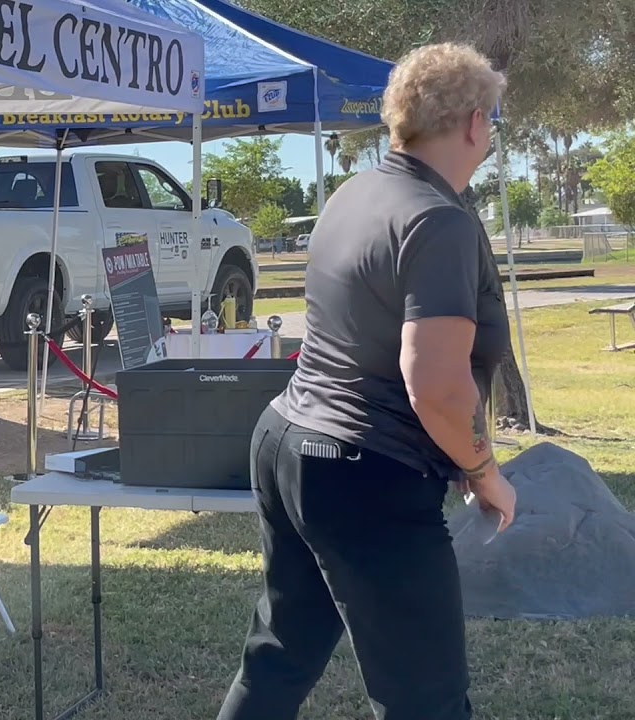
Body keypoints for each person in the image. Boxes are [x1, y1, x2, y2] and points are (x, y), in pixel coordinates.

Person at [216, 43, 517, 720]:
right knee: (428, 703)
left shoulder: (356, 193)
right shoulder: (438, 218)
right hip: (366, 469)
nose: (492, 134)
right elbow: (434, 383)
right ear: (472, 122)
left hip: (293, 444)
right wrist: (483, 466)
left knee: (279, 659)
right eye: (492, 118)